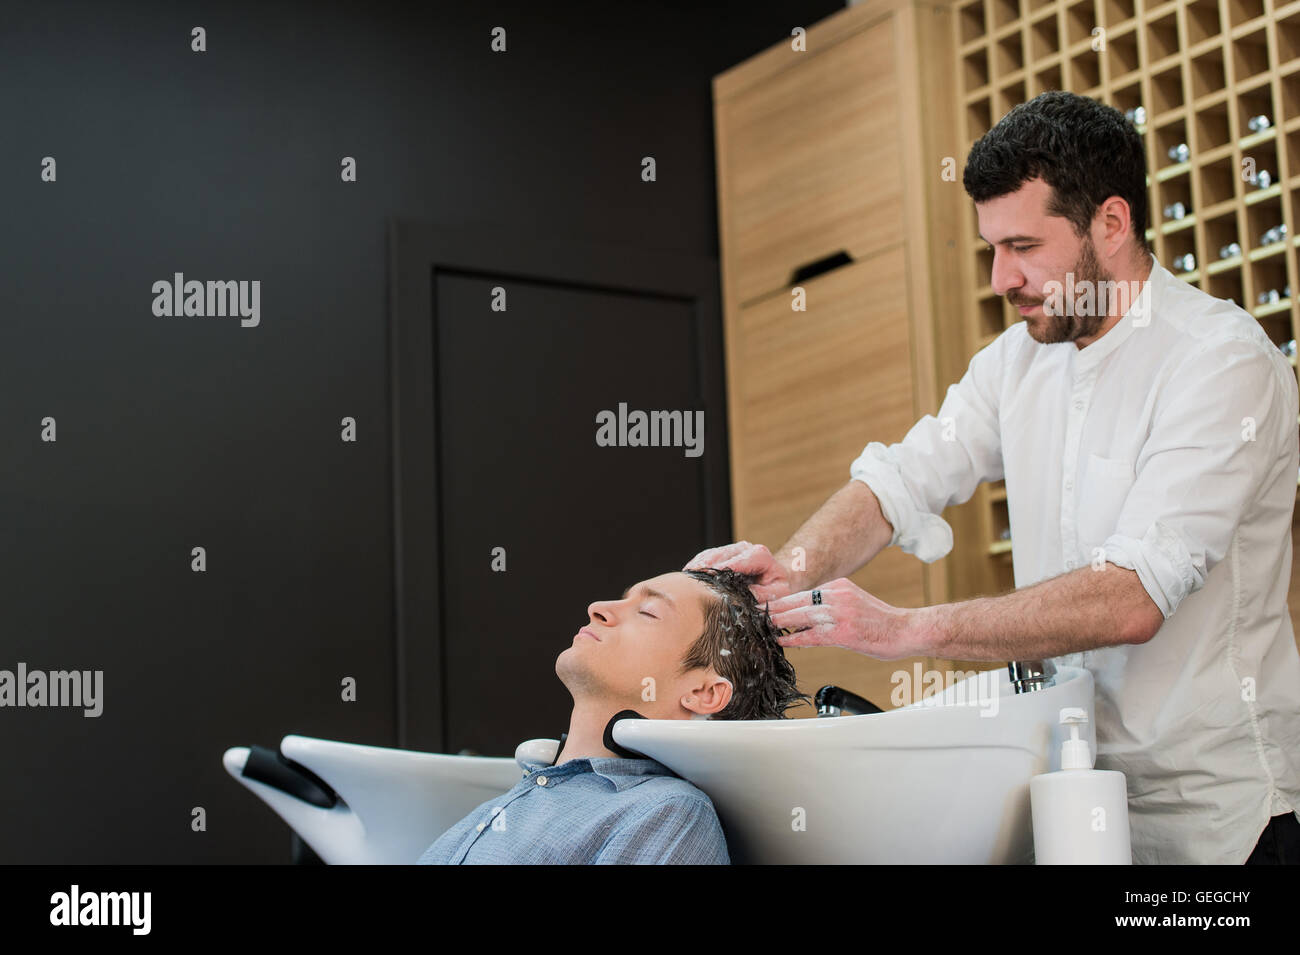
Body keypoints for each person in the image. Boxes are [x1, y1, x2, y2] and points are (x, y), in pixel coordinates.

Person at [688, 90, 1300, 865]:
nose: (1000, 276)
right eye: (990, 247)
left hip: (1221, 814)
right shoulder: (1017, 361)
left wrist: (907, 631)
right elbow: (900, 479)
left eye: (1023, 246)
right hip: (1074, 790)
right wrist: (795, 568)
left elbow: (1133, 595)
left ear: (1112, 223)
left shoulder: (1219, 363)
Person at [416, 567, 810, 864]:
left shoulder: (668, 816)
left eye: (648, 612)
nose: (598, 608)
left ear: (703, 692)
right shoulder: (516, 799)